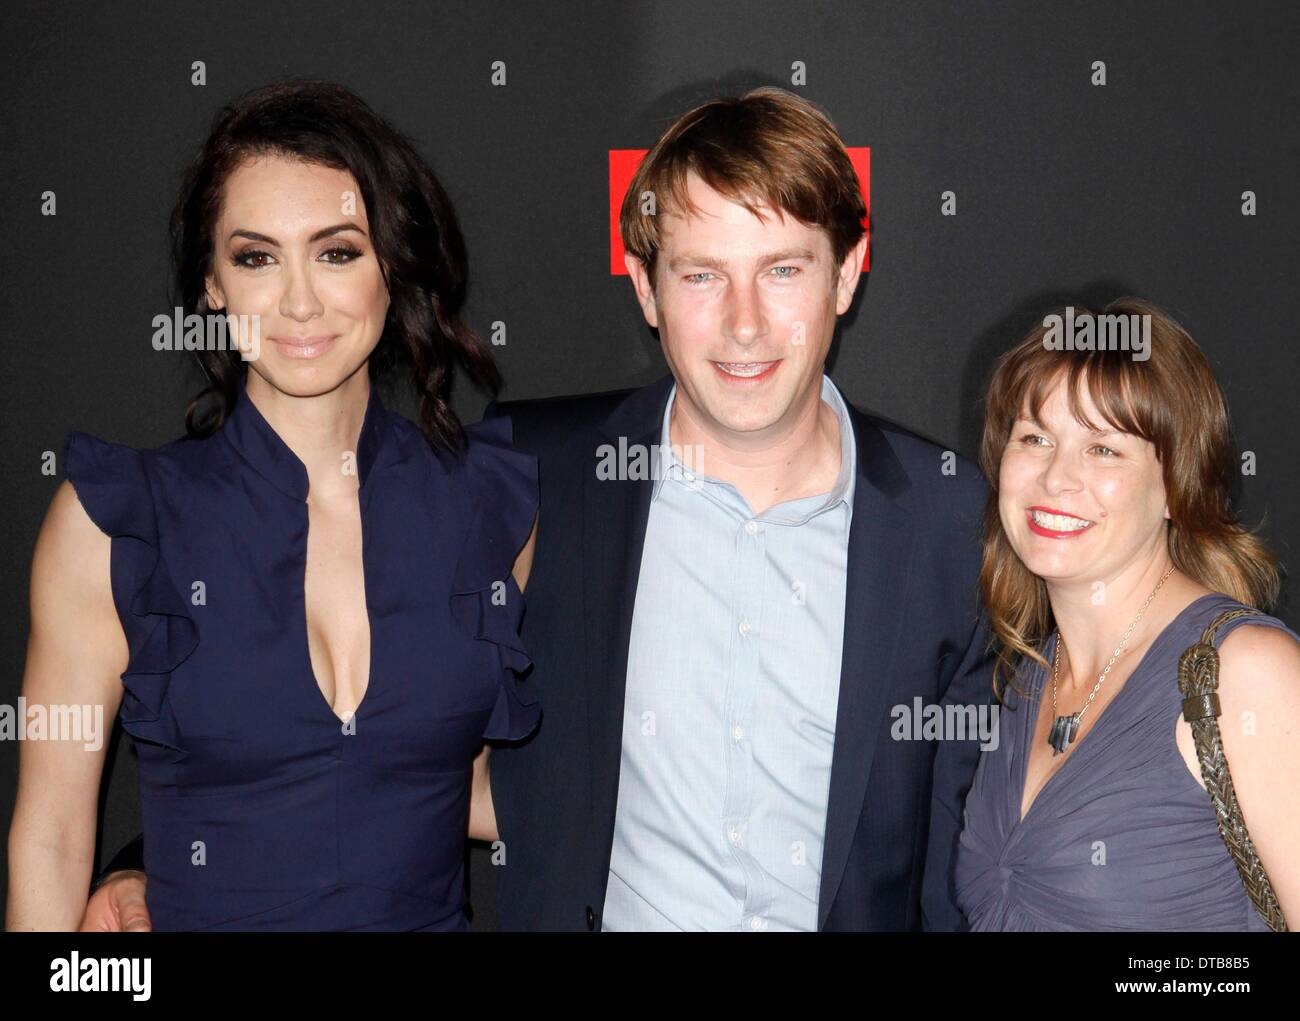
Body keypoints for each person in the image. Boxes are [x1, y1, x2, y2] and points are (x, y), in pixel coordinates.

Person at [84, 86, 994, 931]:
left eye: (783, 270)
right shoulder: (531, 481)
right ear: (645, 288)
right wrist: (158, 865)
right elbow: (363, 741)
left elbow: (979, 839)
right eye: (702, 275)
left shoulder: (949, 523)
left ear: (848, 273)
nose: (744, 322)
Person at [6, 80, 540, 931]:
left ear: (391, 262)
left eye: (336, 252)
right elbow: (53, 838)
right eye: (256, 257)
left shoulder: (490, 504)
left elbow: (479, 787)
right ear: (212, 286)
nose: (298, 302)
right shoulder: (116, 523)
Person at [954, 298, 1300, 930]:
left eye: (1104, 450)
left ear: (1176, 484)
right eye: (1035, 438)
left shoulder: (1248, 673)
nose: (1058, 478)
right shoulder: (1032, 678)